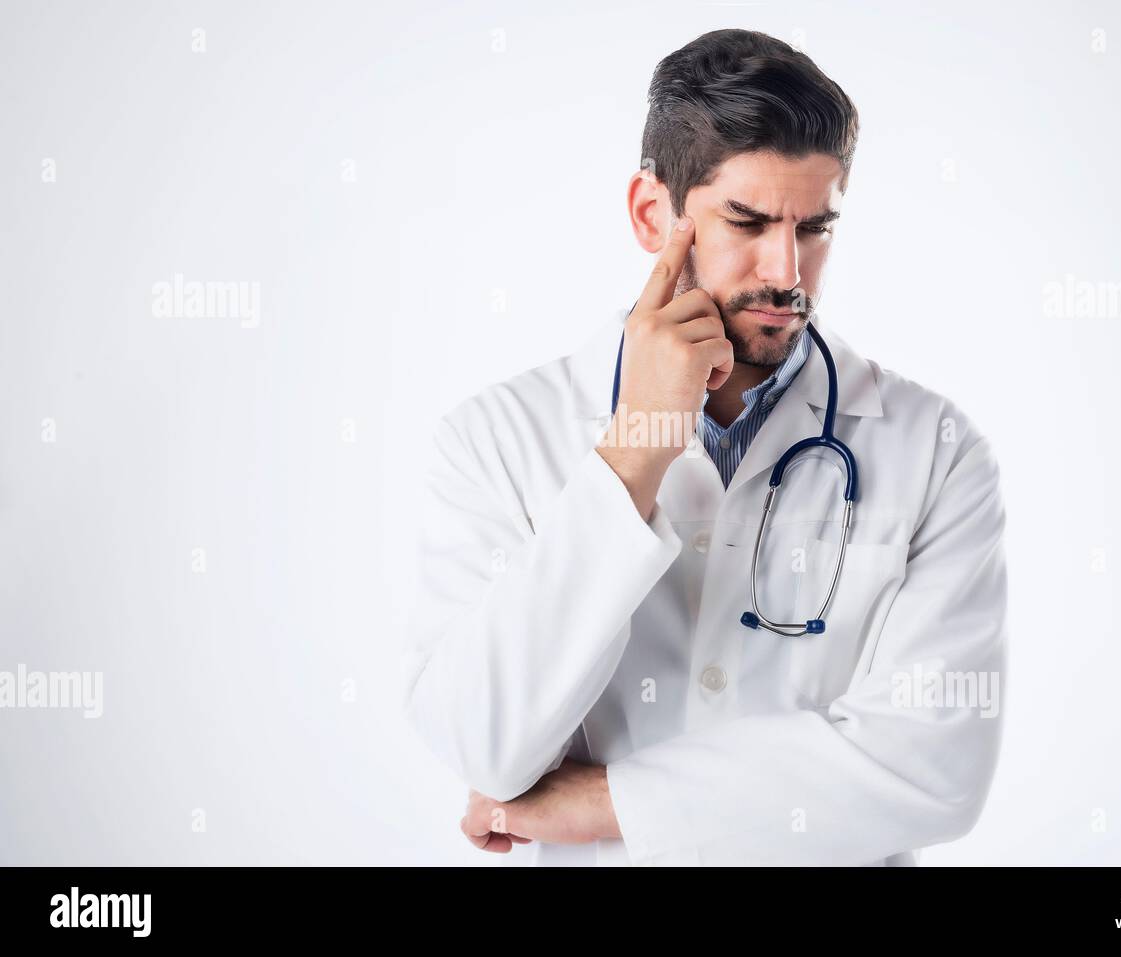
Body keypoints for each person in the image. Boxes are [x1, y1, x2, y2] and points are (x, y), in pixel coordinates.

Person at [403, 28, 1008, 866]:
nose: (788, 271)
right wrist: (634, 452)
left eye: (816, 227)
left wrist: (599, 804)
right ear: (655, 214)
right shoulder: (496, 439)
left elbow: (935, 771)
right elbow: (489, 743)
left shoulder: (936, 452)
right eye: (749, 221)